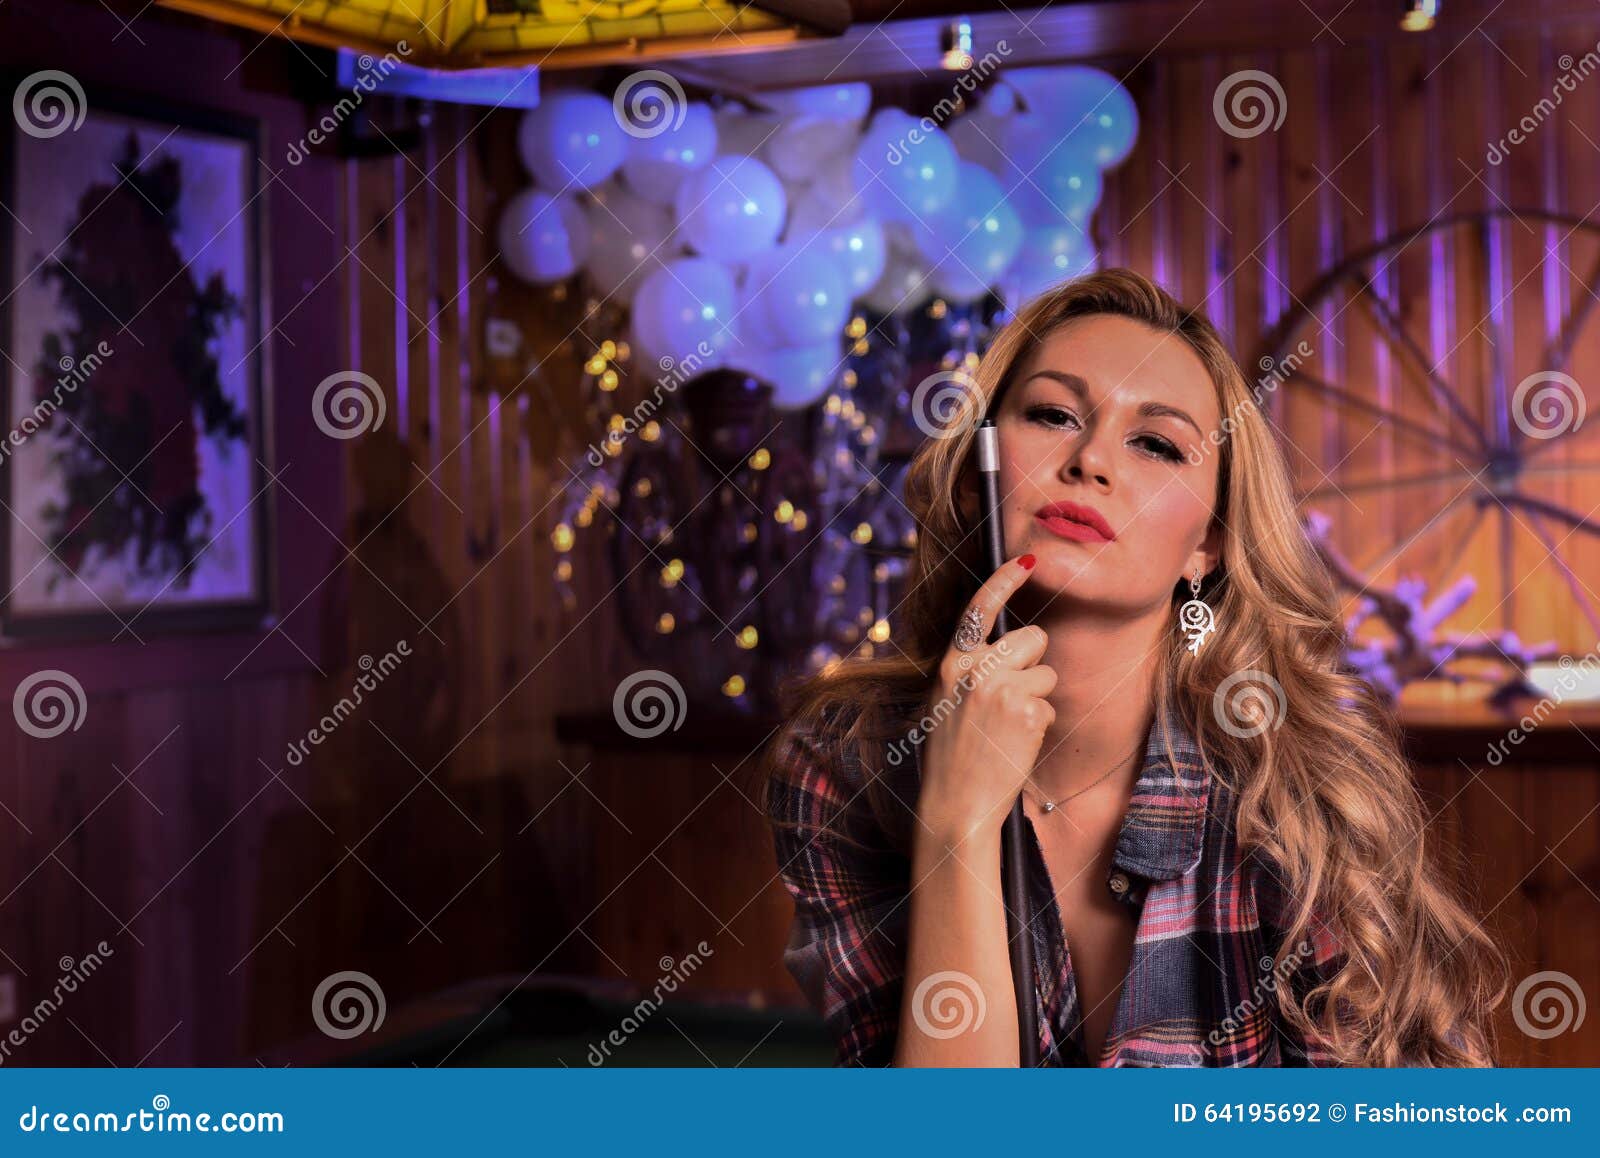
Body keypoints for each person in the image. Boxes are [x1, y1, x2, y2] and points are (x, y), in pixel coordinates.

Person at [761, 268, 1507, 1067]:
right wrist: (957, 824)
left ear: (1207, 544)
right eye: (1052, 414)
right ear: (979, 474)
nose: (1089, 461)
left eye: (1155, 443)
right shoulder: (849, 765)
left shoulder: (1298, 788)